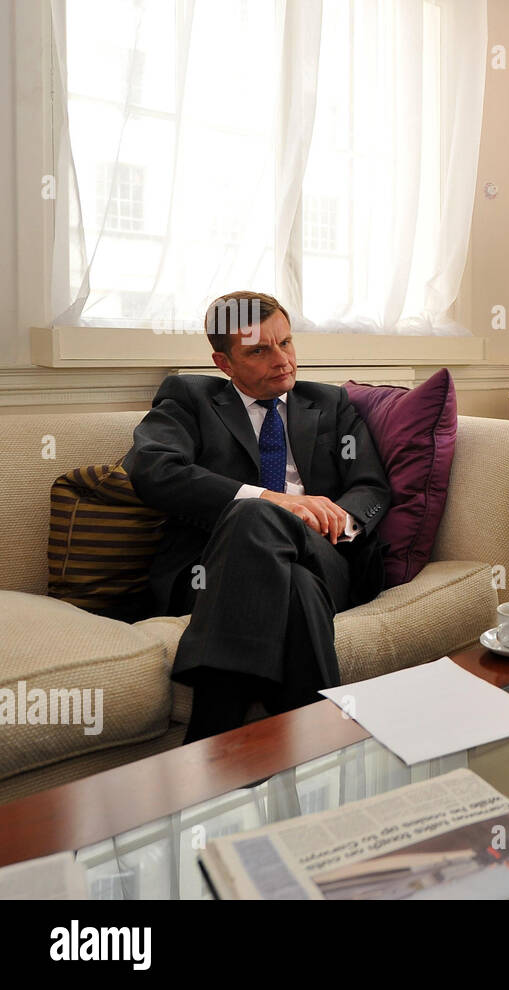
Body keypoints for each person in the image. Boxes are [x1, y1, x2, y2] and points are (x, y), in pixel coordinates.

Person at [124, 291, 391, 743]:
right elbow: (152, 468)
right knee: (270, 543)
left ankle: (214, 732)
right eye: (259, 351)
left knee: (268, 530)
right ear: (224, 363)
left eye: (286, 343)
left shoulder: (330, 404)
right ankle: (320, 748)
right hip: (212, 572)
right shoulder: (190, 398)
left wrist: (336, 521)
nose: (283, 360)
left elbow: (371, 487)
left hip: (323, 555)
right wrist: (271, 499)